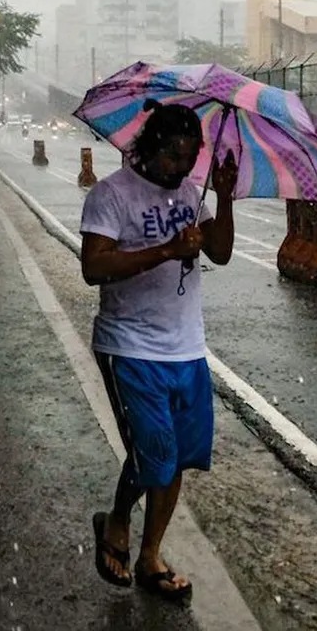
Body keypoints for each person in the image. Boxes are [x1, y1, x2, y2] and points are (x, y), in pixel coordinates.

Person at [78, 98, 237, 601]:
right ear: (149, 147)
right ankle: (117, 519)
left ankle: (150, 556)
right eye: (172, 156)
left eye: (189, 159)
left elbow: (220, 253)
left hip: (186, 348)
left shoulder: (191, 194)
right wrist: (167, 249)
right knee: (155, 453)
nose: (180, 168)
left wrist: (224, 199)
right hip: (129, 345)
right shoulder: (111, 194)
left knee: (178, 458)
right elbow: (94, 268)